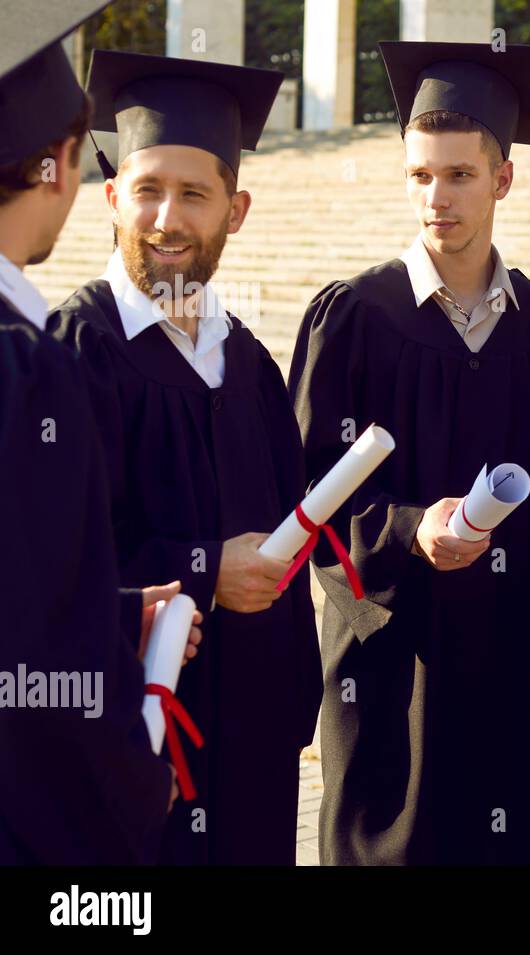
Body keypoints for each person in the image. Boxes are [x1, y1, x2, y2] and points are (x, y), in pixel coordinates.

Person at [289, 41, 530, 865]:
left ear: (502, 179)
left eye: (459, 175)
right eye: (420, 175)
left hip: (511, 666)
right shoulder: (353, 316)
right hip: (388, 665)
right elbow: (309, 496)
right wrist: (409, 530)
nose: (437, 197)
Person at [47, 50, 320, 865]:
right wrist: (203, 571)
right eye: (147, 190)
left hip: (256, 760)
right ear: (109, 199)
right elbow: (51, 565)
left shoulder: (250, 366)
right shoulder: (73, 352)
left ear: (235, 211)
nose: (167, 217)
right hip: (133, 752)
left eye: (194, 194)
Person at [0, 1, 199, 864]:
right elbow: (38, 645)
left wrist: (117, 614)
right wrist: (133, 775)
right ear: (61, 166)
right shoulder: (28, 369)